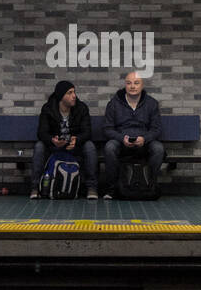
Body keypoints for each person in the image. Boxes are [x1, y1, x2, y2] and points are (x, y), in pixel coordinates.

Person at [31, 80, 99, 199]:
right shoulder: (48, 108)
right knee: (39, 146)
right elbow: (41, 133)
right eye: (69, 93)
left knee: (90, 147)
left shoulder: (81, 108)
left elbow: (87, 132)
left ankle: (91, 188)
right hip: (54, 146)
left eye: (74, 92)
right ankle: (35, 187)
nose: (74, 96)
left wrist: (76, 140)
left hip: (74, 146)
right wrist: (53, 140)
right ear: (61, 96)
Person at [102, 70, 164, 199]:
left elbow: (156, 129)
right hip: (121, 142)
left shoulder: (151, 103)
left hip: (144, 143)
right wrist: (121, 138)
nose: (132, 86)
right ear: (125, 85)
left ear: (142, 85)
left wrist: (145, 139)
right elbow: (107, 129)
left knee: (158, 148)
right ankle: (112, 189)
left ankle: (150, 186)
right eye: (129, 83)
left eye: (136, 83)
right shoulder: (114, 104)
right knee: (110, 147)